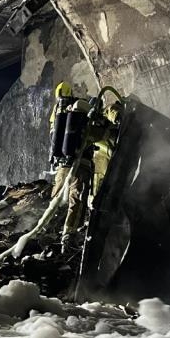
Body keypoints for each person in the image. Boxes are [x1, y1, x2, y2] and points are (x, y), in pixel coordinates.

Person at [53, 97, 121, 250]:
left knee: (60, 202)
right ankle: (68, 236)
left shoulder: (65, 126)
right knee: (77, 199)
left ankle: (55, 230)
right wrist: (110, 123)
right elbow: (106, 134)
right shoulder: (85, 126)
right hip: (80, 168)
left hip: (62, 169)